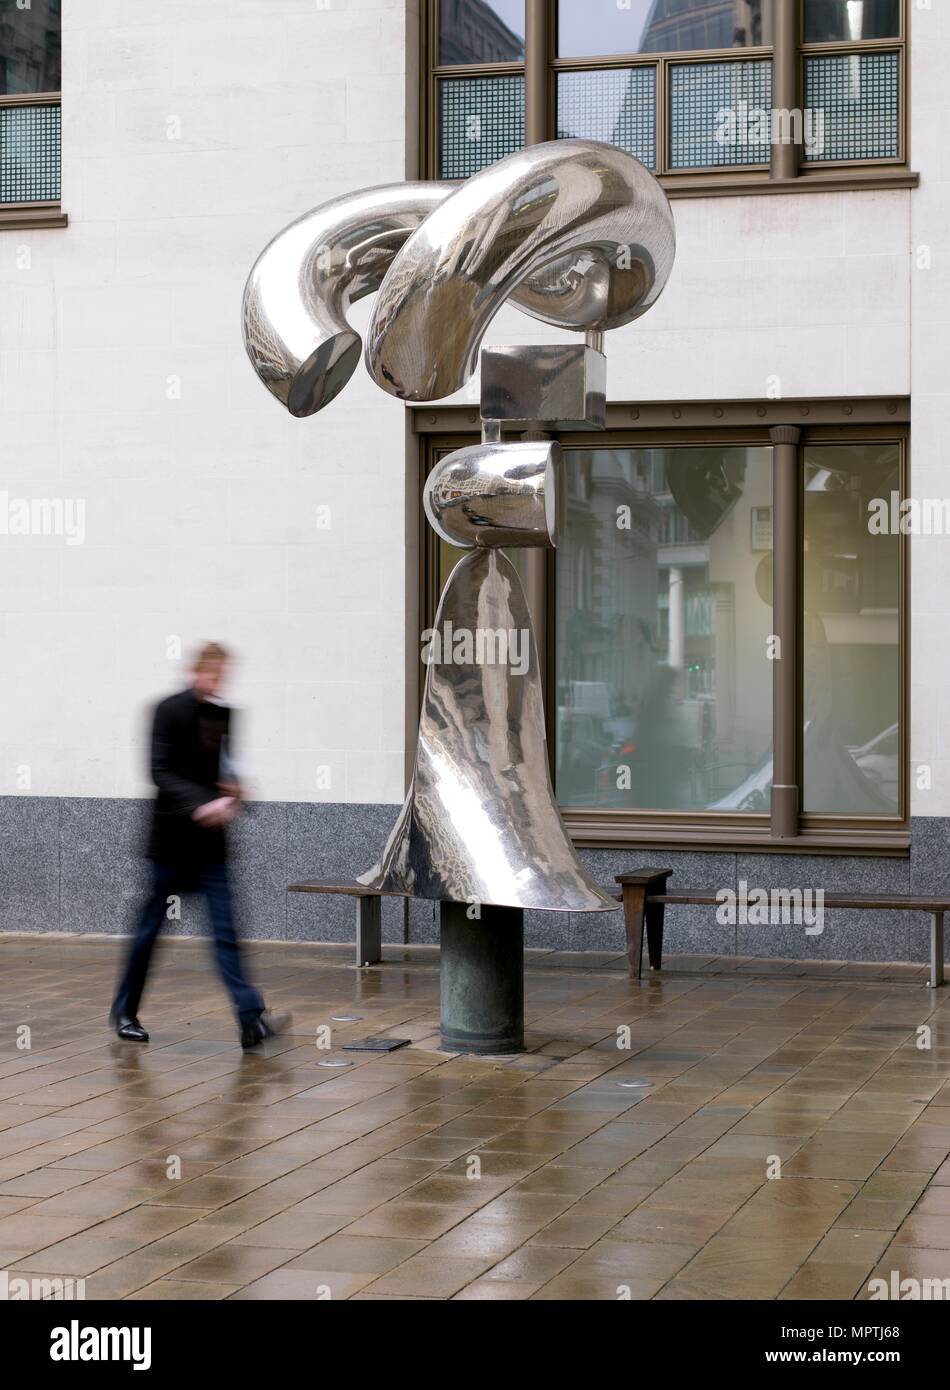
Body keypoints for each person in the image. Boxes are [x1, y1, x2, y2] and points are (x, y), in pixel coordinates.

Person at [110, 642, 284, 1049]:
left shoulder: (224, 715)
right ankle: (124, 1012)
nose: (217, 683)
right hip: (170, 845)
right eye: (212, 675)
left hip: (211, 848)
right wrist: (202, 804)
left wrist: (237, 791)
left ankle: (249, 1017)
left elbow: (227, 766)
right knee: (149, 933)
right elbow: (159, 772)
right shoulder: (167, 710)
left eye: (223, 676)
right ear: (195, 672)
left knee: (226, 932)